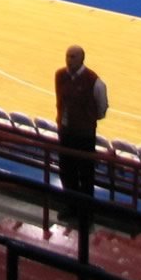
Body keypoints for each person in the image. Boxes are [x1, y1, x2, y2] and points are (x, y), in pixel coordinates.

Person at [55, 46, 108, 207]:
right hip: (65, 131)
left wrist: (87, 120)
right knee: (66, 171)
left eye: (73, 57)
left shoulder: (94, 81)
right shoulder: (60, 75)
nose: (69, 60)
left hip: (84, 135)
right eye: (67, 56)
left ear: (82, 59)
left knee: (85, 174)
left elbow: (102, 108)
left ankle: (86, 210)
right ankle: (69, 206)